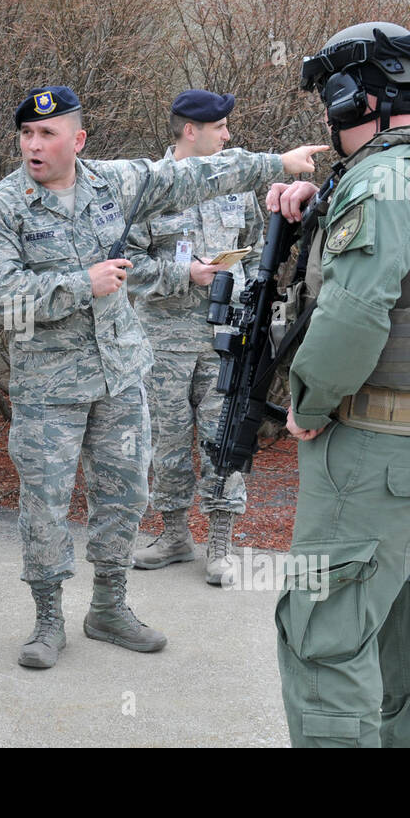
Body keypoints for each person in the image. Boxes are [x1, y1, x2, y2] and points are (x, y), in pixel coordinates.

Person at [0, 86, 325, 669]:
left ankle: (108, 607)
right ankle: (47, 619)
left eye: (48, 134)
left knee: (124, 495)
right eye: (27, 135)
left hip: (122, 375)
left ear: (77, 140)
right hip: (48, 388)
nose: (34, 145)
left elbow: (195, 177)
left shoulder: (115, 182)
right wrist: (82, 283)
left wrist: (277, 165)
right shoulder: (3, 207)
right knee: (45, 503)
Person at [269, 21, 410, 747]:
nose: (327, 112)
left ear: (356, 98)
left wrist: (309, 400)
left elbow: (355, 311)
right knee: (397, 631)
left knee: (322, 636)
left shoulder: (383, 177)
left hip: (374, 448)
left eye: (330, 96)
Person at [128, 89, 269, 585]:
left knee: (223, 437)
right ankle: (173, 536)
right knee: (165, 442)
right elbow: (125, 267)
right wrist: (184, 273)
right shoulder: (149, 188)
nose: (229, 135)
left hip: (224, 340)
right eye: (221, 127)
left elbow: (254, 250)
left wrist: (248, 293)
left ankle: (221, 545)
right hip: (162, 340)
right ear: (191, 130)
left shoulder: (237, 184)